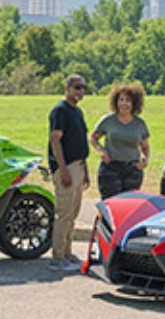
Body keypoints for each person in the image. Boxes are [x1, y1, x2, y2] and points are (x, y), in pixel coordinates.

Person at [47, 74, 90, 269]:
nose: (80, 92)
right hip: (67, 167)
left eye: (83, 88)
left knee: (73, 214)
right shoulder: (60, 111)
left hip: (79, 165)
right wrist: (62, 169)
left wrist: (86, 170)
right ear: (67, 87)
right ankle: (57, 257)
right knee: (63, 213)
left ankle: (68, 252)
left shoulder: (77, 112)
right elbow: (55, 141)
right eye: (77, 87)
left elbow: (80, 142)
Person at [92, 84, 150, 199]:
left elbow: (145, 147)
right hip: (110, 168)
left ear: (134, 103)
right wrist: (102, 151)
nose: (124, 103)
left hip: (132, 170)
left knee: (129, 206)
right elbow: (93, 138)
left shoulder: (140, 124)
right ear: (116, 101)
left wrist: (145, 160)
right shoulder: (108, 120)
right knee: (110, 204)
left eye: (128, 100)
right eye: (121, 100)